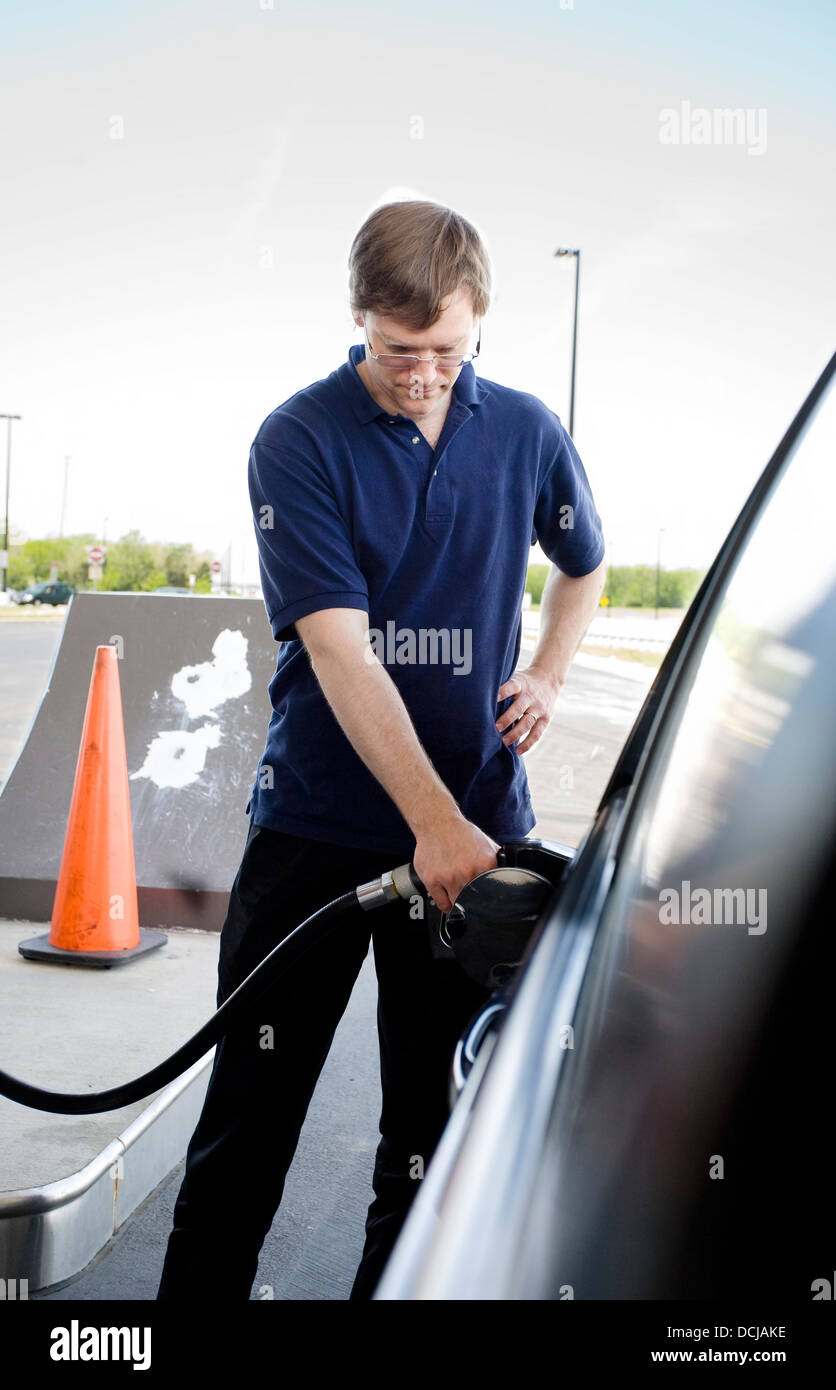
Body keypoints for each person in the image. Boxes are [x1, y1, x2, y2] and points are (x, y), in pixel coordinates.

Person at [156, 199, 606, 1301]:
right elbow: (343, 653)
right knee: (247, 1127)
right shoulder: (298, 437)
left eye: (448, 351)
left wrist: (544, 671)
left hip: (477, 836)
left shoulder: (527, 431)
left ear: (478, 326)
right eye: (400, 351)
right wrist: (431, 822)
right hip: (317, 832)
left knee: (432, 1129)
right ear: (357, 318)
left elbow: (580, 563)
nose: (423, 374)